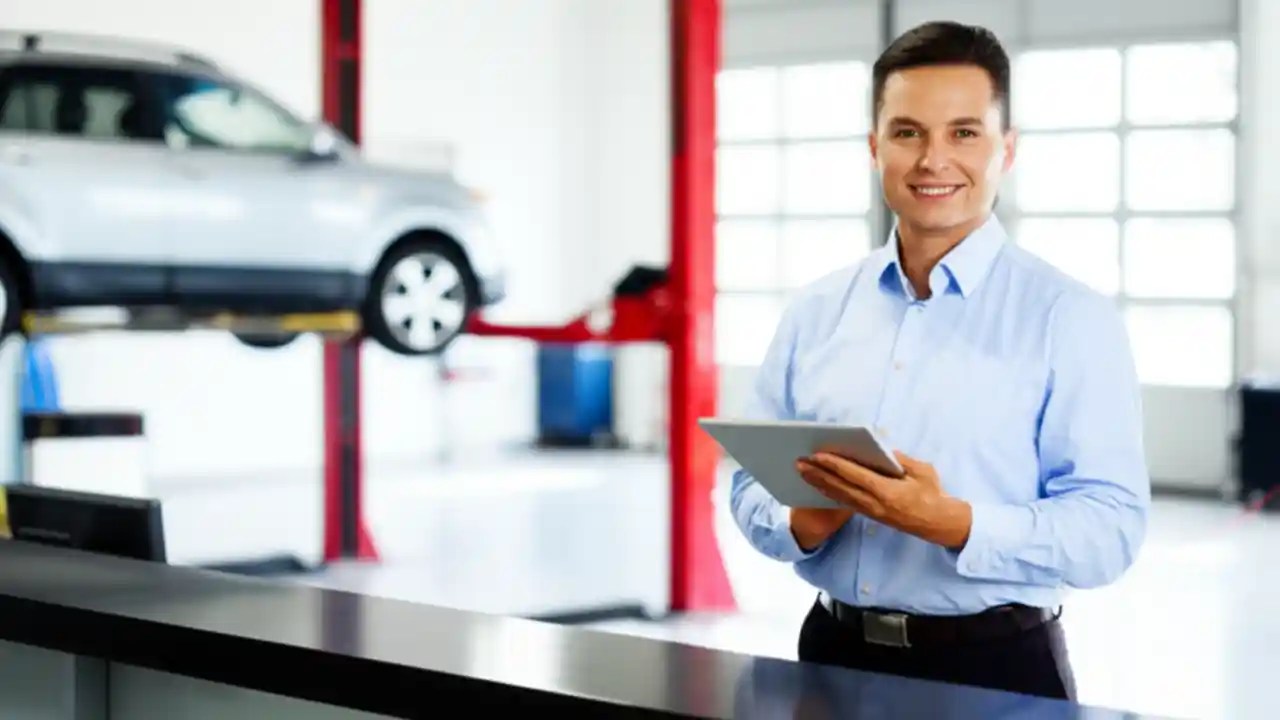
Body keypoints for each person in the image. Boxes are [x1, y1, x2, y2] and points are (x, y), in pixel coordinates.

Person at [728, 20, 1150, 702]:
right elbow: (750, 485)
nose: (933, 160)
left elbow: (1110, 532)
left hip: (995, 675)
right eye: (907, 132)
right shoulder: (816, 310)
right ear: (875, 147)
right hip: (828, 660)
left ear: (1005, 150)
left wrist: (953, 523)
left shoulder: (1069, 319)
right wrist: (799, 524)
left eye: (963, 132)